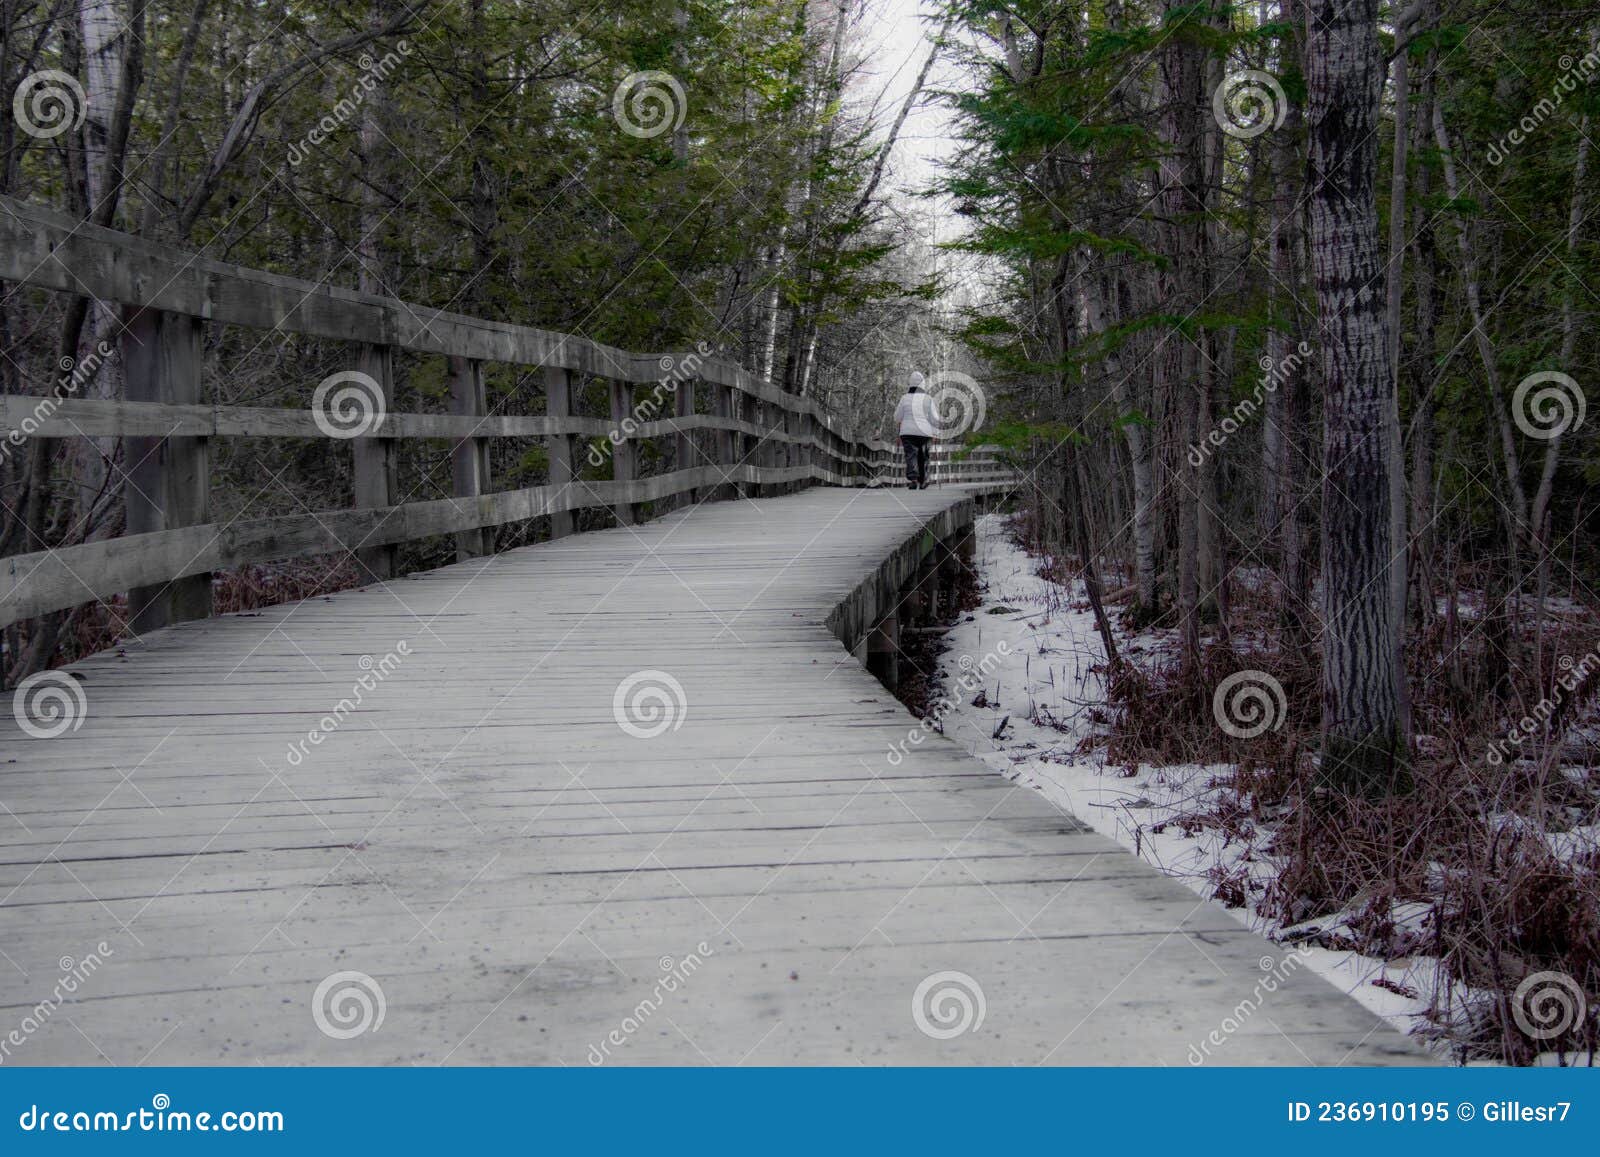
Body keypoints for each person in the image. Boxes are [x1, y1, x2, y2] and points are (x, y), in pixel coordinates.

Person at [893, 372, 938, 489]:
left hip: (907, 432)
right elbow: (935, 419)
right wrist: (935, 432)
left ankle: (913, 479)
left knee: (911, 455)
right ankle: (923, 481)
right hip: (925, 432)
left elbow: (897, 417)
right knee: (924, 456)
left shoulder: (904, 398)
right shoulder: (928, 399)